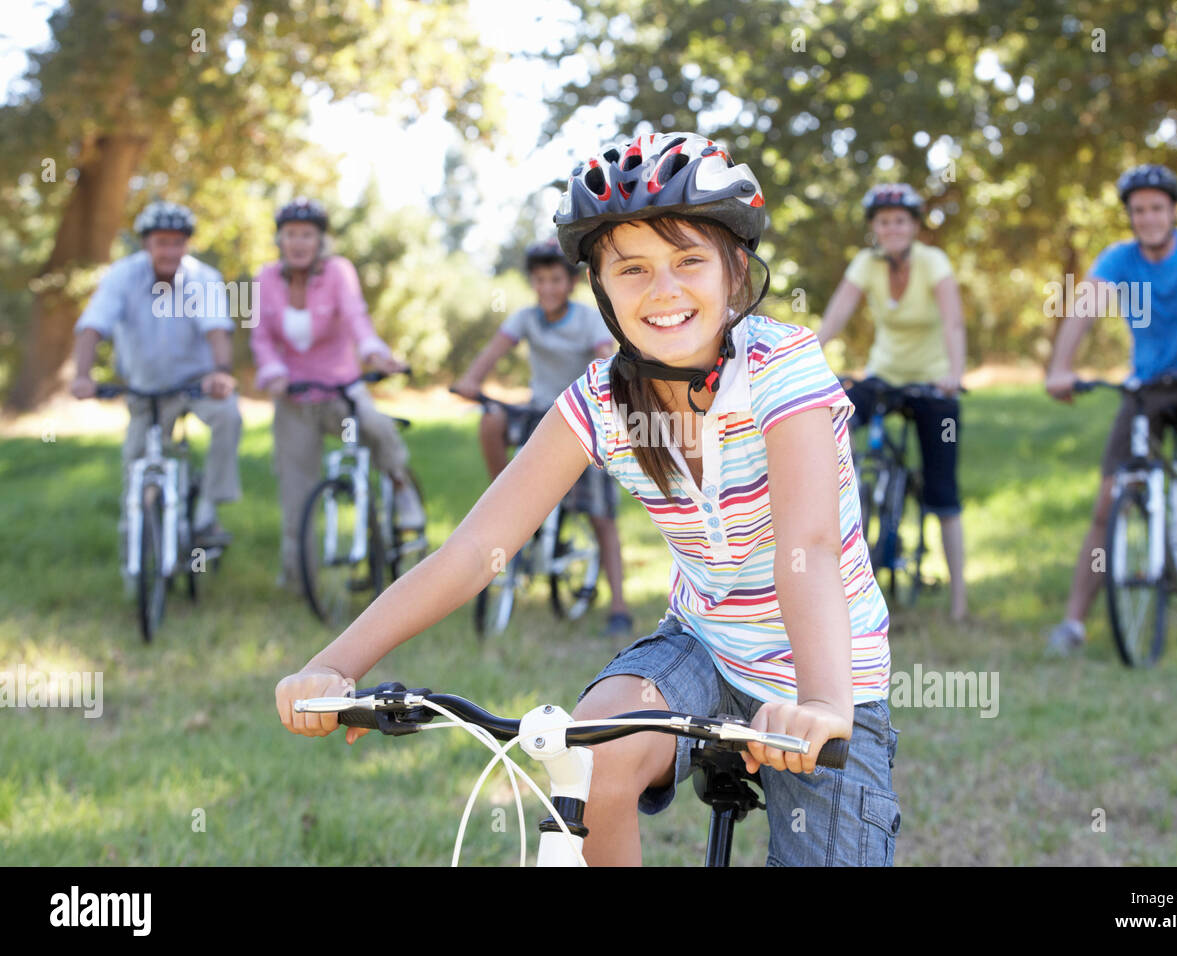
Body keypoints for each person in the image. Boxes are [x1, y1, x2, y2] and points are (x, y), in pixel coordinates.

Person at [276, 131, 900, 867]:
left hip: (824, 668)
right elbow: (478, 549)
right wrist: (337, 665)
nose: (663, 290)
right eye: (631, 268)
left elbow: (809, 549)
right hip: (703, 644)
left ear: (736, 271)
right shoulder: (603, 401)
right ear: (601, 290)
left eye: (688, 260)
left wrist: (824, 703)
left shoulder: (782, 367)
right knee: (586, 751)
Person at [1043, 164, 1177, 655]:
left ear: (1174, 210)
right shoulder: (1119, 259)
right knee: (1109, 499)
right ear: (1130, 217)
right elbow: (1084, 307)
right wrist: (1060, 366)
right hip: (1146, 388)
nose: (1149, 217)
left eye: (1157, 207)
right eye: (1139, 210)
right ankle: (1073, 623)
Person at [451, 237, 632, 638]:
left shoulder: (588, 319)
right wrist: (471, 380)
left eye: (555, 280)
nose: (547, 288)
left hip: (585, 414)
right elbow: (493, 352)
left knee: (601, 515)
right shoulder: (526, 318)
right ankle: (508, 498)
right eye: (539, 281)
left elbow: (606, 359)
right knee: (491, 418)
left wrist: (598, 375)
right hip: (540, 410)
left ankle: (618, 604)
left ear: (570, 283)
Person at [250, 197, 423, 593]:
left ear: (320, 239)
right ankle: (298, 578)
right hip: (293, 397)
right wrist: (272, 371)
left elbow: (356, 319)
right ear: (280, 238)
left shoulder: (339, 272)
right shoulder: (260, 279)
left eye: (307, 235)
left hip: (341, 389)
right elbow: (258, 336)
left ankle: (400, 485)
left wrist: (375, 352)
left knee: (377, 427)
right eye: (291, 234)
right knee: (295, 493)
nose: (298, 242)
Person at [817, 183, 968, 622]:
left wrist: (954, 375)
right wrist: (806, 357)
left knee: (944, 491)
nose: (892, 228)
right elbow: (837, 313)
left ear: (915, 226)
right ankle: (843, 509)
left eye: (900, 220)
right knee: (831, 422)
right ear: (875, 228)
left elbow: (954, 322)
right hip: (883, 374)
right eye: (884, 222)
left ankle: (959, 603)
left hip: (932, 383)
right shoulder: (866, 263)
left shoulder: (933, 262)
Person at [70, 200, 242, 554]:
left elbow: (217, 332)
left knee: (228, 415)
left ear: (187, 245)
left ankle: (208, 510)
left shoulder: (202, 279)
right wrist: (82, 376)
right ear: (147, 244)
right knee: (135, 462)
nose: (169, 250)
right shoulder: (122, 275)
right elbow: (91, 327)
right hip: (144, 387)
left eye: (177, 242)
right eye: (161, 242)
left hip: (196, 383)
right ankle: (135, 544)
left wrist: (221, 374)